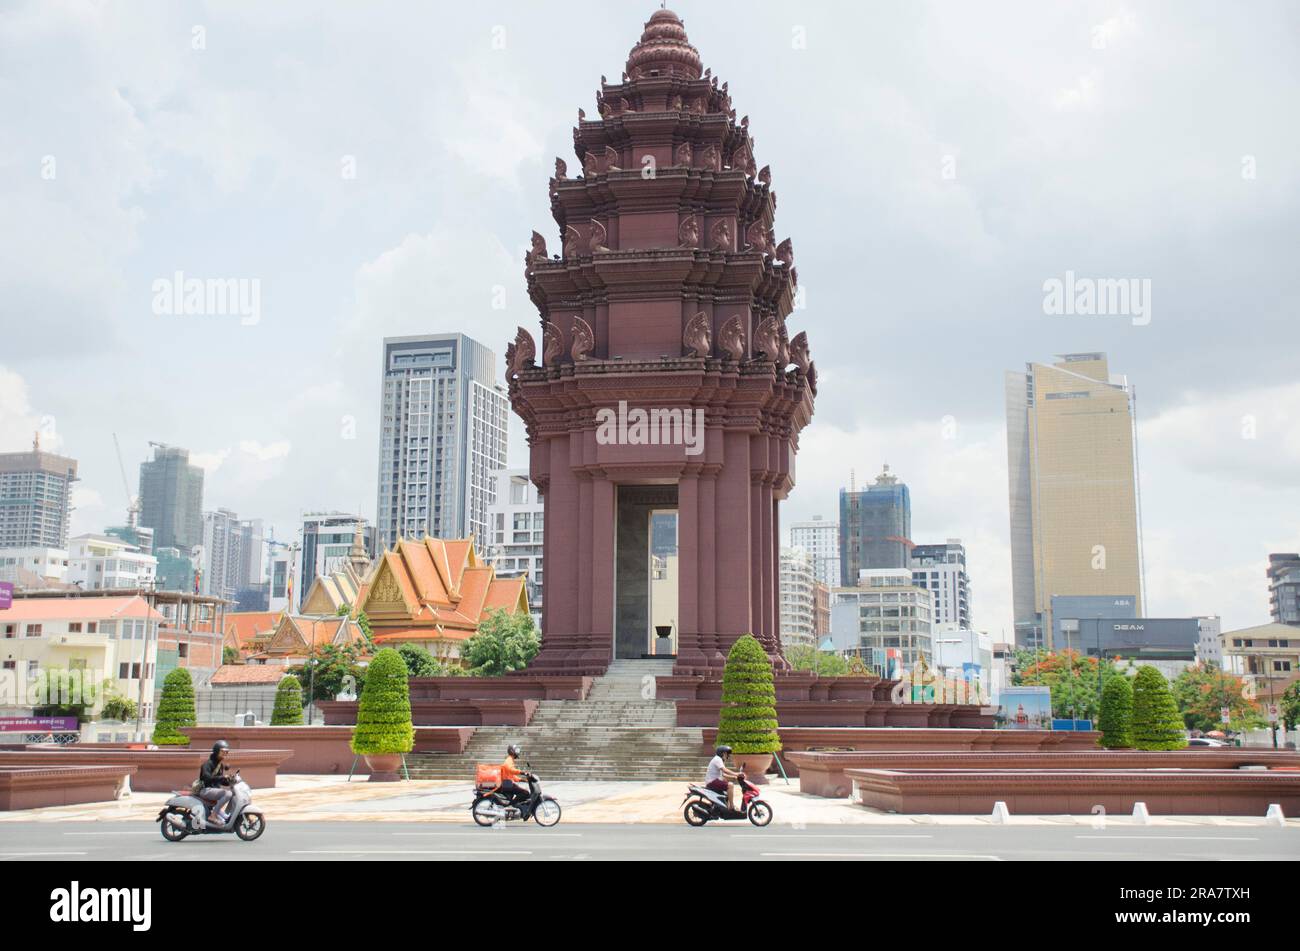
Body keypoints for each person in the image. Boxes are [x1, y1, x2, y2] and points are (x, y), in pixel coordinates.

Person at [199, 740, 234, 824]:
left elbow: (219, 781)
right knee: (227, 794)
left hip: (213, 790)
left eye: (226, 752)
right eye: (223, 751)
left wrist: (229, 781)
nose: (225, 754)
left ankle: (224, 816)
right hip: (206, 790)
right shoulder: (208, 764)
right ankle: (213, 816)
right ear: (217, 751)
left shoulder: (220, 765)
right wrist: (221, 777)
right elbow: (206, 778)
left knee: (232, 793)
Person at [498, 744, 530, 808]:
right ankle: (511, 806)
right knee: (525, 793)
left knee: (523, 791)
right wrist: (522, 772)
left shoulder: (510, 760)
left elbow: (511, 775)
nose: (517, 753)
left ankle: (514, 805)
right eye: (516, 751)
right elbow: (511, 770)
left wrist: (522, 780)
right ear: (512, 751)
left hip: (508, 783)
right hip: (507, 784)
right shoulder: (509, 760)